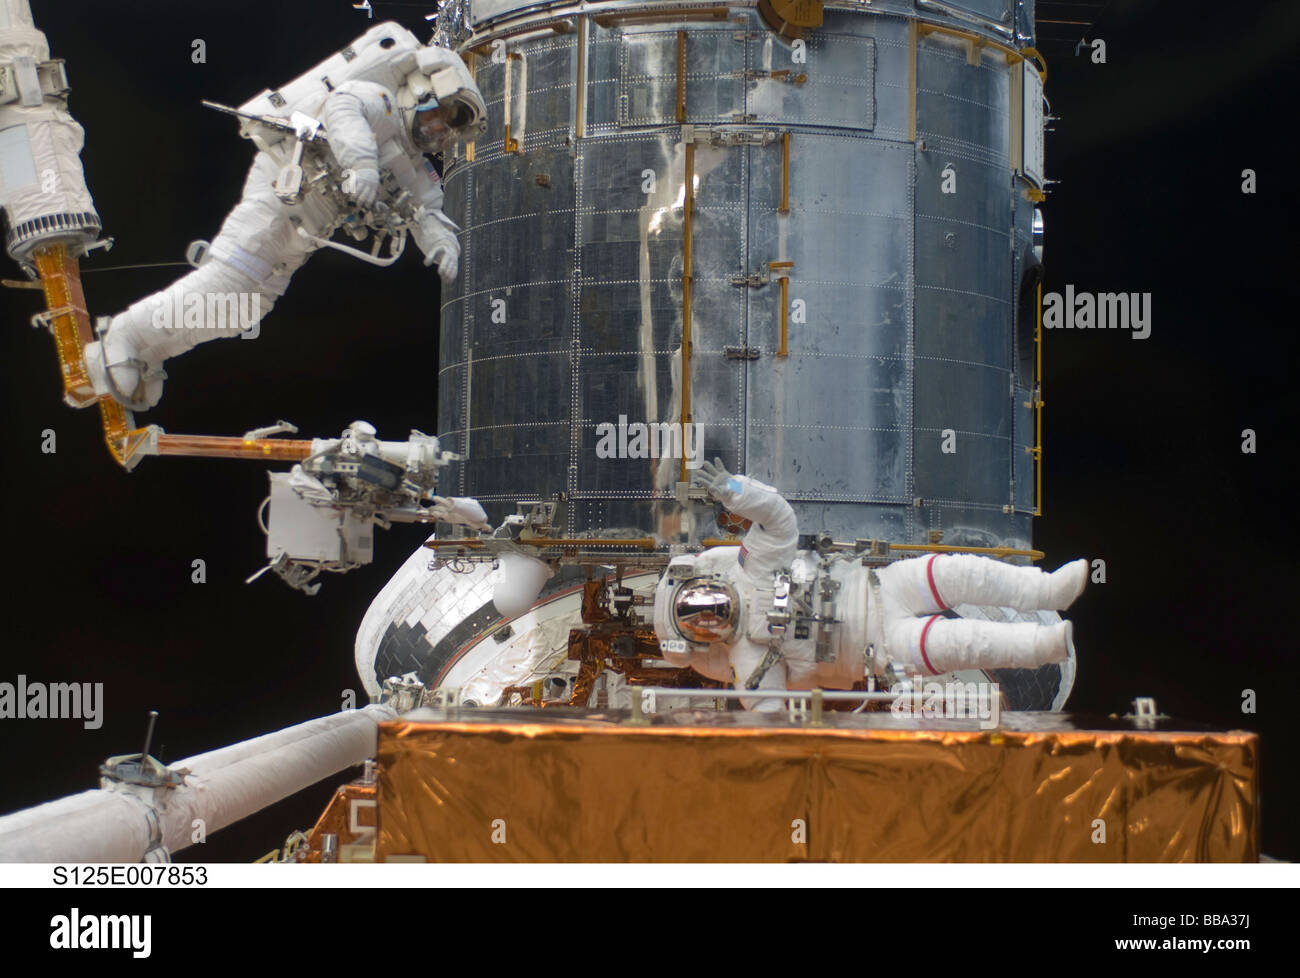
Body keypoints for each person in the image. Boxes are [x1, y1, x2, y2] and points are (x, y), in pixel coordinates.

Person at [84, 39, 484, 411]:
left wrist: (442, 244)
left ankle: (151, 353)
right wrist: (361, 165)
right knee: (227, 281)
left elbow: (428, 208)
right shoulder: (377, 100)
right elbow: (344, 106)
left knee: (242, 311)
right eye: (438, 115)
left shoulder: (410, 163)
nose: (438, 129)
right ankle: (125, 335)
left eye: (447, 127)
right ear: (419, 91)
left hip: (304, 234)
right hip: (278, 202)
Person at [654, 458, 1087, 709]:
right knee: (966, 643)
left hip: (882, 586)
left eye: (702, 599)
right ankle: (1045, 647)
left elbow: (777, 516)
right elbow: (768, 714)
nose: (711, 610)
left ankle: (1049, 591)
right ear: (703, 640)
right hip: (879, 647)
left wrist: (732, 490)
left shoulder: (754, 565)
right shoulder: (748, 662)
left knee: (963, 573)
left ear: (706, 580)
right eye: (704, 619)